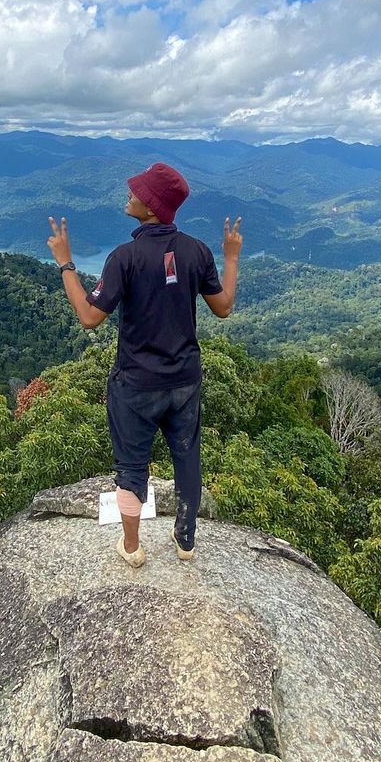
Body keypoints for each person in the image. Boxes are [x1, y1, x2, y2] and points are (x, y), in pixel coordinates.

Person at [46, 161, 242, 567]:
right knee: (186, 458)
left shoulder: (126, 257)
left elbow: (89, 317)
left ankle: (133, 548)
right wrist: (231, 257)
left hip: (136, 384)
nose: (129, 194)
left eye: (136, 192)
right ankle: (185, 542)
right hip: (184, 380)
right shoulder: (197, 251)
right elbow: (223, 307)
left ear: (151, 207)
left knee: (131, 467)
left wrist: (65, 263)